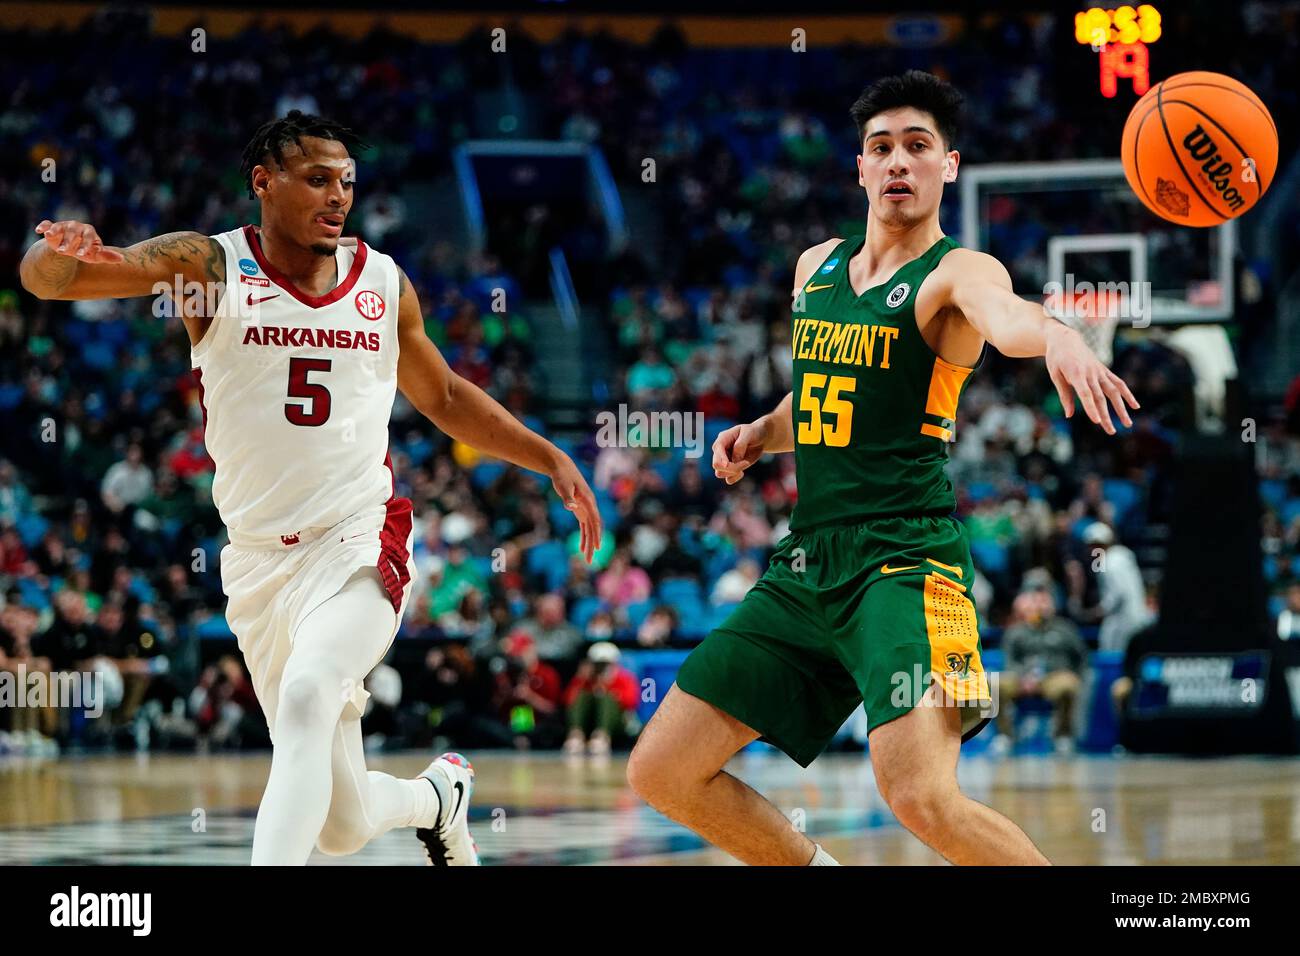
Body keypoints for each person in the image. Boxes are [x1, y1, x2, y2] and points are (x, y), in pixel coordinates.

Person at [20, 110, 603, 866]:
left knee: (307, 696)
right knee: (342, 824)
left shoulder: (384, 283)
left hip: (358, 539)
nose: (338, 197)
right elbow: (56, 282)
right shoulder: (210, 268)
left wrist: (551, 459)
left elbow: (448, 399)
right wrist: (50, 251)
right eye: (319, 180)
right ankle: (437, 797)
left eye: (348, 184)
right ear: (263, 182)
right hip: (260, 564)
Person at [626, 71, 1139, 866]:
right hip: (809, 564)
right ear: (860, 169)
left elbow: (1010, 321)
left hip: (908, 562)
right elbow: (825, 398)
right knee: (662, 769)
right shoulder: (815, 269)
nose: (898, 161)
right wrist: (763, 432)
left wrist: (1062, 333)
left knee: (920, 795)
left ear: (950, 166)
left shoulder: (956, 272)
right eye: (881, 148)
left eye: (917, 146)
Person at [995, 589, 1087, 754]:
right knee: (995, 684)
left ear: (1053, 605)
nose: (1041, 606)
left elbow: (1081, 658)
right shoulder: (1016, 632)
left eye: (1045, 602)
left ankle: (1062, 735)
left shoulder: (1065, 629)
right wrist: (1023, 677)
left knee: (1068, 686)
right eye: (1037, 601)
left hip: (1054, 678)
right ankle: (1004, 736)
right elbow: (1009, 660)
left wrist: (1074, 675)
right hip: (1022, 678)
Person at [563, 642, 640, 756]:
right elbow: (568, 701)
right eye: (597, 664)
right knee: (582, 696)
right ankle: (576, 736)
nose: (600, 668)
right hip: (589, 722)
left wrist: (608, 686)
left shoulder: (625, 678)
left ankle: (602, 737)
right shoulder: (584, 681)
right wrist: (580, 680)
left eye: (604, 664)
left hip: (617, 723)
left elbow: (631, 703)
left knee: (607, 698)